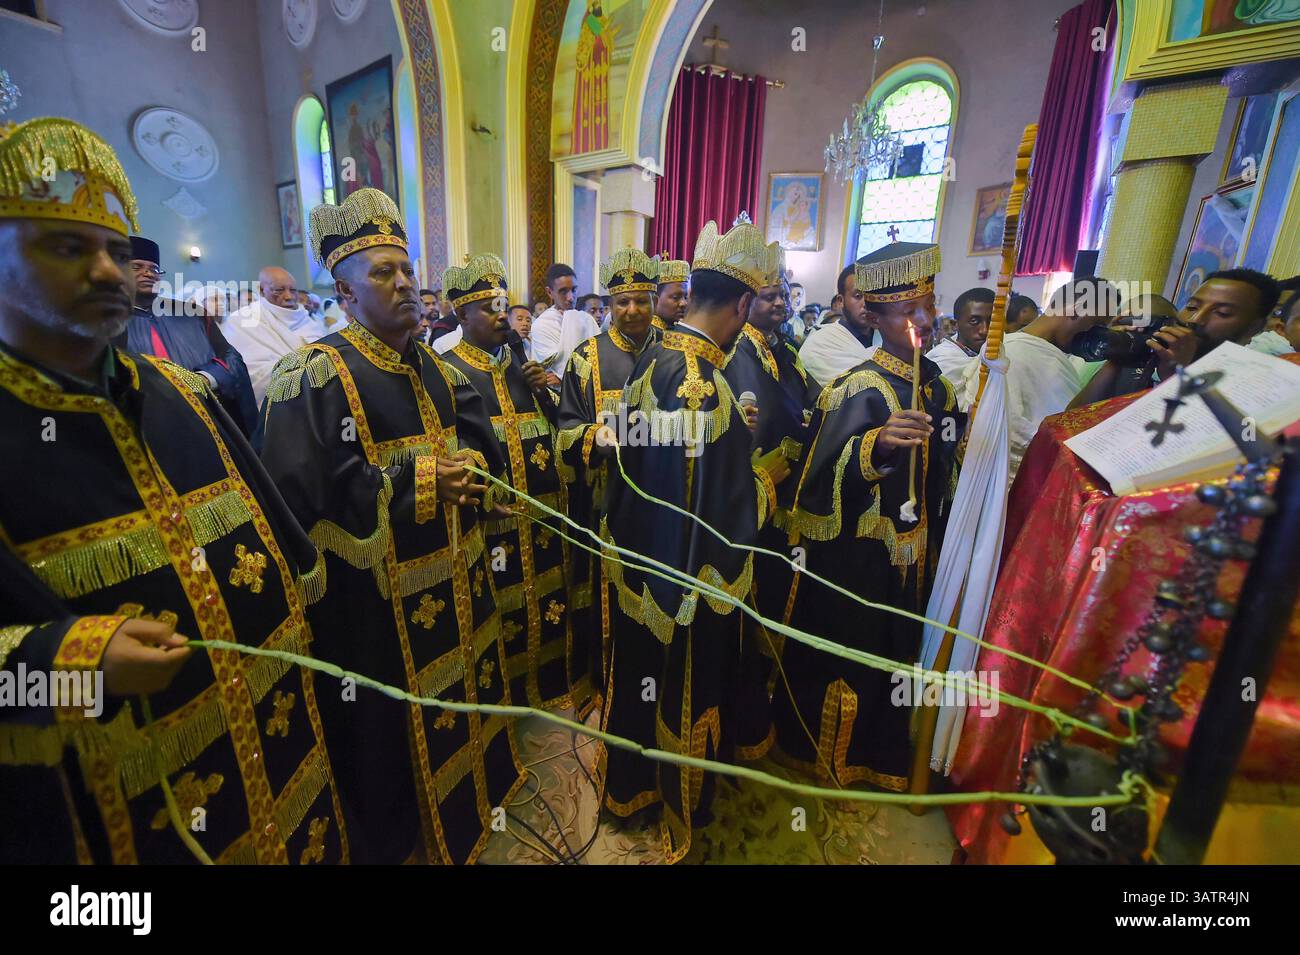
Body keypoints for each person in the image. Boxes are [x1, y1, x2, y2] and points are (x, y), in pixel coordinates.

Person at [0, 117, 347, 864]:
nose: (106, 272)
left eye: (117, 251)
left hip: (276, 745)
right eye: (67, 246)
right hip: (107, 813)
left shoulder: (181, 393)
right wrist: (64, 661)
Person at [261, 188, 520, 864]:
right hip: (375, 612)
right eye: (382, 272)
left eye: (407, 270)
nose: (405, 284)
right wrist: (424, 483)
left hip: (455, 581)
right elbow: (306, 499)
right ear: (344, 293)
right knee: (389, 735)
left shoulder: (435, 366)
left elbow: (478, 445)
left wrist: (484, 482)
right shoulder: (314, 375)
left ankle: (465, 812)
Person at [598, 219, 789, 862]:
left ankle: (634, 791)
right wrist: (766, 473)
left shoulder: (656, 353)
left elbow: (643, 459)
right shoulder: (704, 379)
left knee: (642, 680)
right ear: (741, 305)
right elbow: (721, 507)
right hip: (691, 581)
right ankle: (682, 807)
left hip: (644, 562)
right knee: (680, 686)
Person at [774, 241, 962, 793]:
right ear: (874, 316)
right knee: (855, 655)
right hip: (858, 557)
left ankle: (884, 752)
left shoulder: (938, 384)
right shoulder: (857, 387)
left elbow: (943, 465)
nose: (923, 319)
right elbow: (816, 484)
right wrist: (874, 449)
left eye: (928, 304)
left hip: (917, 549)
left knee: (897, 656)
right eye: (908, 310)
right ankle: (829, 756)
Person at [441, 255, 586, 713]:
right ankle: (505, 696)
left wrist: (543, 388)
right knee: (500, 610)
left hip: (541, 511)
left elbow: (556, 427)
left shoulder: (521, 363)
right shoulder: (443, 370)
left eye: (504, 305)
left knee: (550, 598)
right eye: (488, 308)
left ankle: (550, 682)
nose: (502, 316)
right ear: (461, 314)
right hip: (490, 520)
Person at [722, 249, 820, 760]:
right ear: (744, 303)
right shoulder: (740, 352)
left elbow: (804, 396)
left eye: (783, 293)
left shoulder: (784, 347)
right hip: (759, 496)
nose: (780, 302)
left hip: (786, 492)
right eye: (768, 296)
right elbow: (750, 421)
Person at [556, 249, 661, 711]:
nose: (633, 310)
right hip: (607, 501)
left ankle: (654, 683)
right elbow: (564, 430)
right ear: (609, 306)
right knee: (607, 594)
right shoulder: (586, 359)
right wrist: (593, 436)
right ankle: (605, 680)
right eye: (623, 303)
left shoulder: (674, 350)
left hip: (665, 501)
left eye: (641, 300)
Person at [957, 277, 1121, 482]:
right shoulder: (1014, 354)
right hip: (1013, 490)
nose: (1096, 337)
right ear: (1076, 310)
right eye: (1097, 324)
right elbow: (1012, 437)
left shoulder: (1055, 357)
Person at [1071, 268, 1283, 410]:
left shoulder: (1251, 387)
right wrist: (1119, 355)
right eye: (1191, 307)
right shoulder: (1149, 356)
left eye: (1222, 313)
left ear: (1254, 328)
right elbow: (1068, 425)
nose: (1195, 319)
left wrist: (1175, 376)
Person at [117, 235, 259, 435]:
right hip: (146, 426)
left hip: (206, 417)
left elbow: (231, 358)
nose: (148, 273)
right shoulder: (105, 320)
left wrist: (205, 378)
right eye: (137, 267)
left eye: (154, 269)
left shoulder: (192, 313)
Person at [222, 265, 325, 405]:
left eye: (293, 290)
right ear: (261, 290)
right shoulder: (242, 320)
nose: (288, 296)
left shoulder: (308, 321)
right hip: (278, 409)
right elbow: (252, 373)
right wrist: (308, 373)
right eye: (279, 290)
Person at [799, 261, 879, 387]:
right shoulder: (820, 343)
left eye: (872, 296)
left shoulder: (888, 339)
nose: (866, 303)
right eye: (858, 296)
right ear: (841, 301)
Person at [531, 262, 599, 382]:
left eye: (574, 290)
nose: (571, 297)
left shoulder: (587, 319)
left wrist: (562, 377)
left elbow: (599, 356)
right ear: (549, 292)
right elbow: (550, 368)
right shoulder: (541, 325)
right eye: (563, 291)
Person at [928, 287, 992, 378]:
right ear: (955, 325)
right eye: (974, 321)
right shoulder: (940, 364)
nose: (984, 330)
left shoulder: (1002, 358)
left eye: (992, 322)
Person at [652, 256, 689, 331]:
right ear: (655, 300)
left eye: (686, 297)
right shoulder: (648, 335)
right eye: (676, 297)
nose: (684, 303)